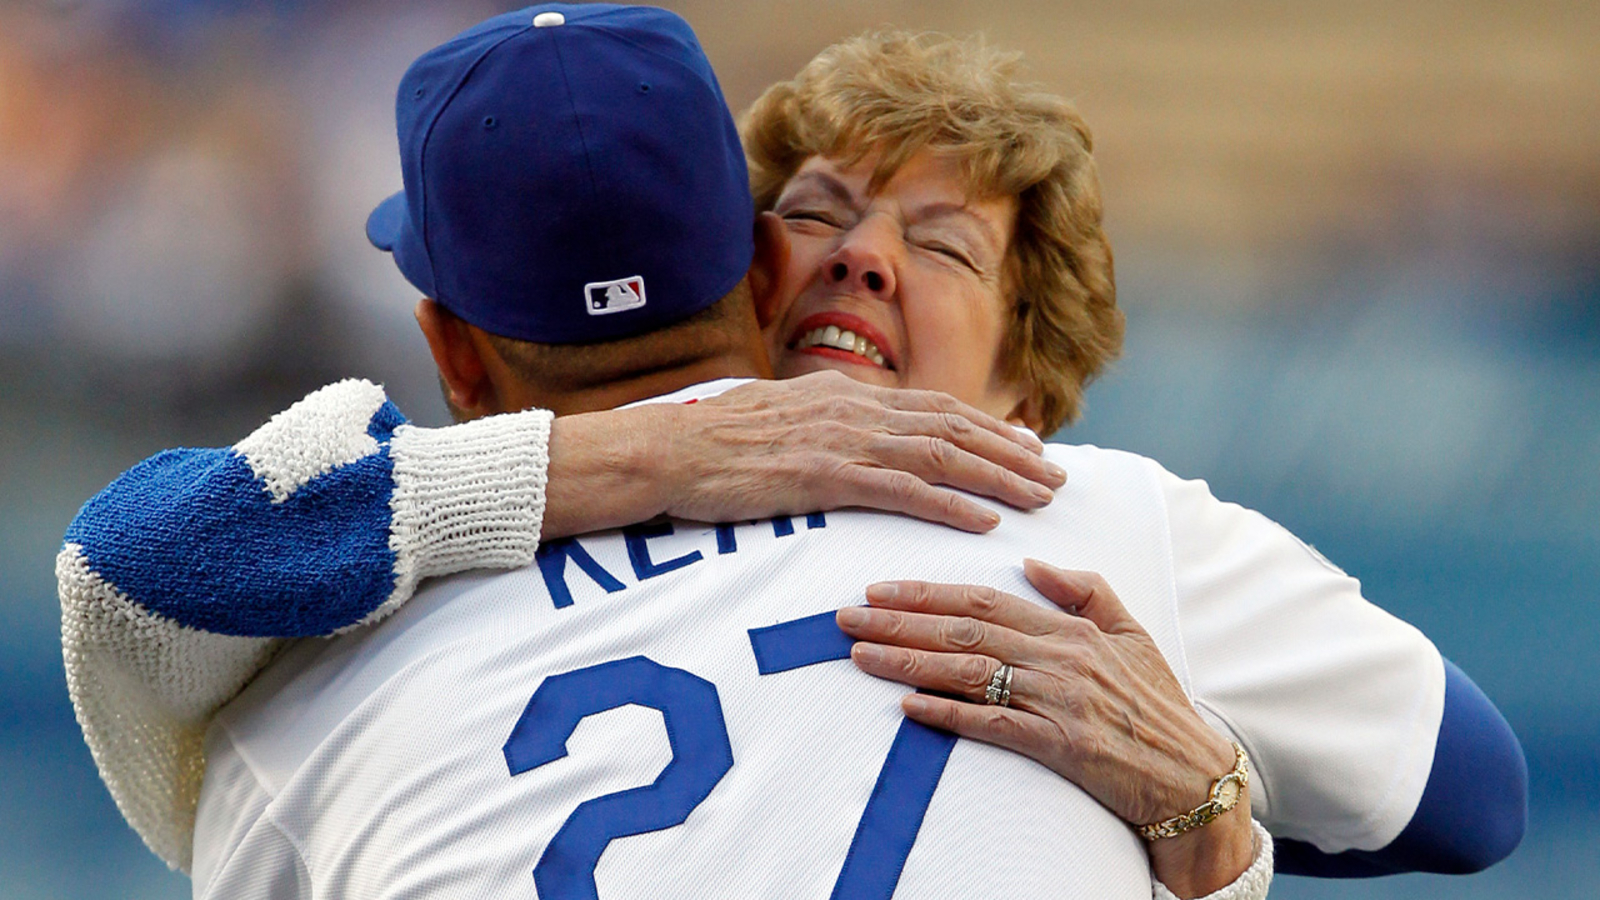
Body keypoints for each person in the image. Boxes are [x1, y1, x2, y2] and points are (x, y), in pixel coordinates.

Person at [56, 5, 1522, 896]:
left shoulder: (311, 678)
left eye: (943, 245)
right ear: (763, 279)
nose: (864, 260)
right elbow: (1461, 804)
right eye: (822, 214)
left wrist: (1200, 788)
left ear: (448, 347)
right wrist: (1209, 842)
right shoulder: (1102, 531)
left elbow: (128, 570)